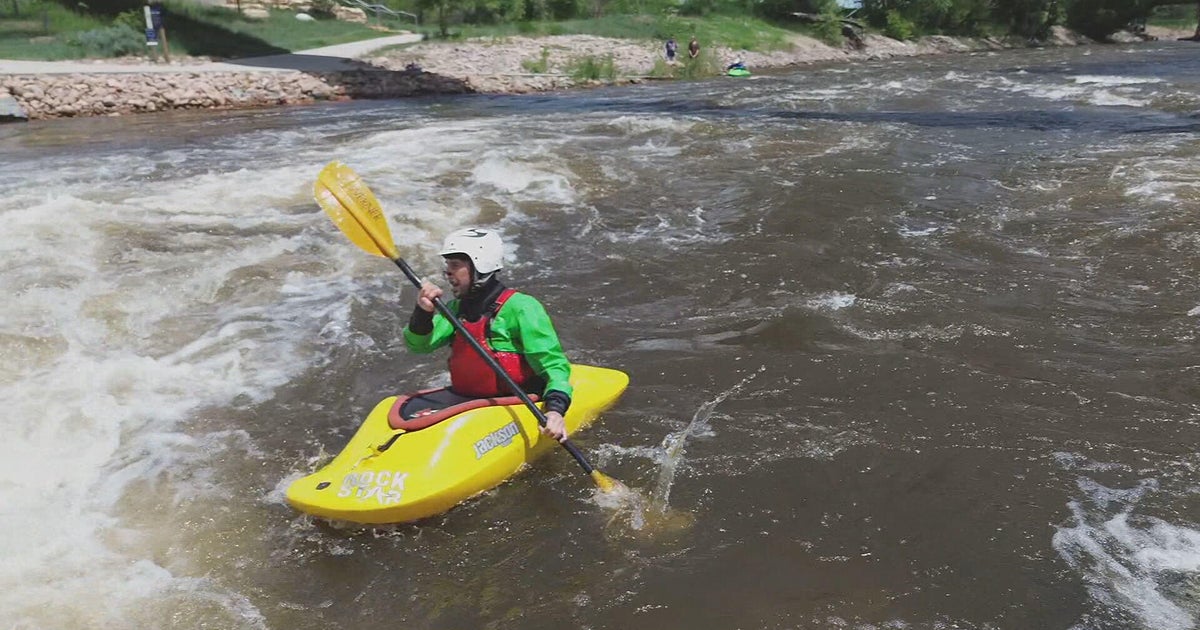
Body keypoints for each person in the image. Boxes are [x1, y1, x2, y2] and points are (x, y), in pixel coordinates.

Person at [403, 228, 573, 441]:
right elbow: (419, 346)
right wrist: (423, 311)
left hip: (512, 401)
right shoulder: (455, 309)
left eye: (455, 265)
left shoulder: (522, 308)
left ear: (480, 266)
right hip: (470, 401)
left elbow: (553, 365)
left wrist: (555, 411)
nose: (447, 272)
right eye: (447, 266)